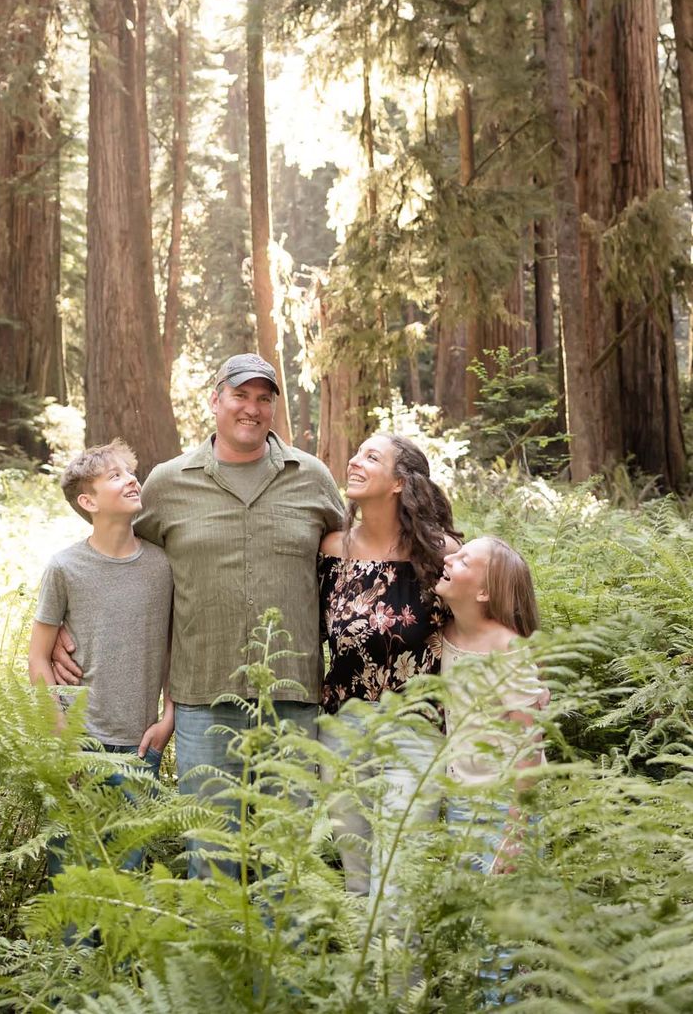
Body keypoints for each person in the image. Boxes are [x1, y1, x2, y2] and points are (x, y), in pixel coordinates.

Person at [51, 354, 345, 877]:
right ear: (215, 401)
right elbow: (116, 554)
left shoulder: (312, 478)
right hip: (201, 702)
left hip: (294, 699)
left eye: (264, 398)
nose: (252, 408)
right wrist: (59, 628)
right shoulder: (168, 484)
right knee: (210, 861)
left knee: (290, 861)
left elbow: (357, 556)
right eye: (240, 395)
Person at [317, 432, 462, 901]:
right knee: (357, 879)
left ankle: (403, 977)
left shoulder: (443, 555)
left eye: (371, 457)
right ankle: (362, 973)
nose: (354, 461)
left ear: (400, 482)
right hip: (342, 731)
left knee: (400, 876)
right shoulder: (332, 551)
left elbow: (482, 631)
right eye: (355, 452)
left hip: (416, 730)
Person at [29, 440, 174, 874]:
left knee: (125, 874)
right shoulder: (65, 567)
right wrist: (58, 728)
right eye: (115, 475)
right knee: (72, 872)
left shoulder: (162, 566)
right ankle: (70, 947)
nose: (131, 479)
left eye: (130, 472)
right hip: (80, 740)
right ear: (88, 501)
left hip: (139, 742)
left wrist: (169, 715)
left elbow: (171, 646)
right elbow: (38, 656)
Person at [435, 536, 546, 1004]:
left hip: (505, 809)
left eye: (463, 560)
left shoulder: (508, 649)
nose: (448, 558)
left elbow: (529, 744)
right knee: (471, 927)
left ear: (484, 592)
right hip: (461, 803)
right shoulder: (443, 634)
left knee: (497, 933)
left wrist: (515, 833)